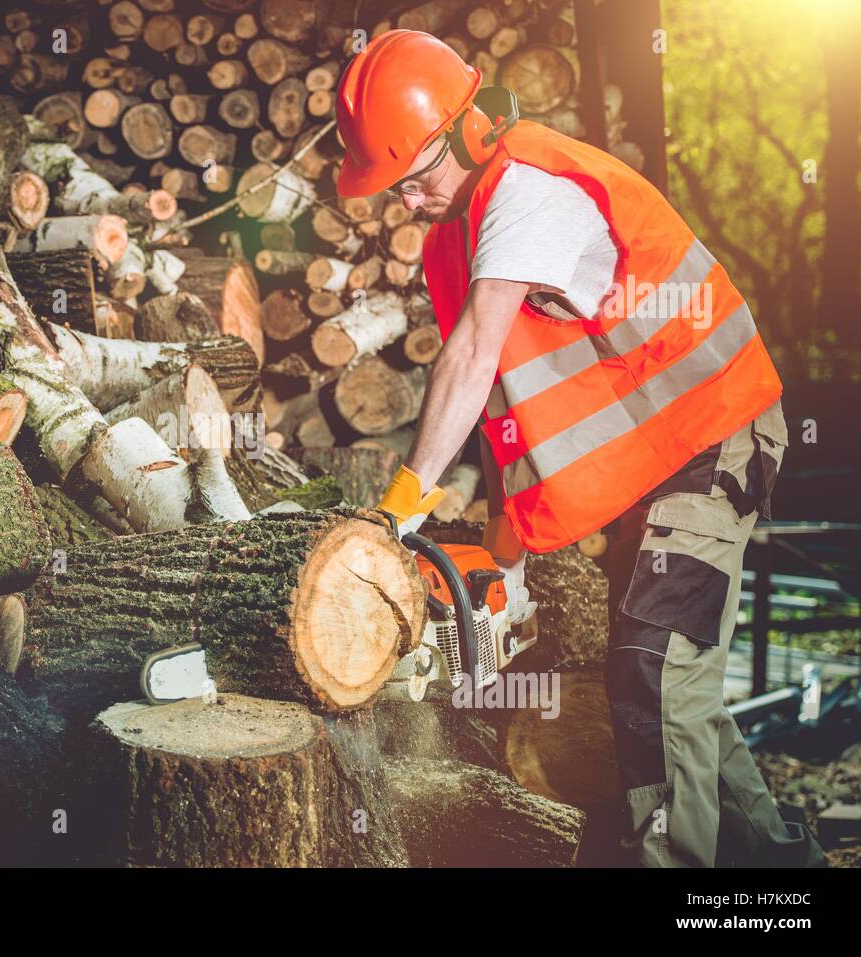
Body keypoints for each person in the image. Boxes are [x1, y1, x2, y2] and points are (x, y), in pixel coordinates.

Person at [337, 28, 826, 867]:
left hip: (715, 433)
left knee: (651, 665)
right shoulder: (455, 237)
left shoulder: (527, 192)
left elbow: (472, 357)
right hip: (655, 462)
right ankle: (782, 877)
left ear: (469, 132)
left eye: (416, 180)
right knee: (675, 687)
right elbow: (508, 411)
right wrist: (504, 564)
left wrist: (398, 510)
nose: (408, 203)